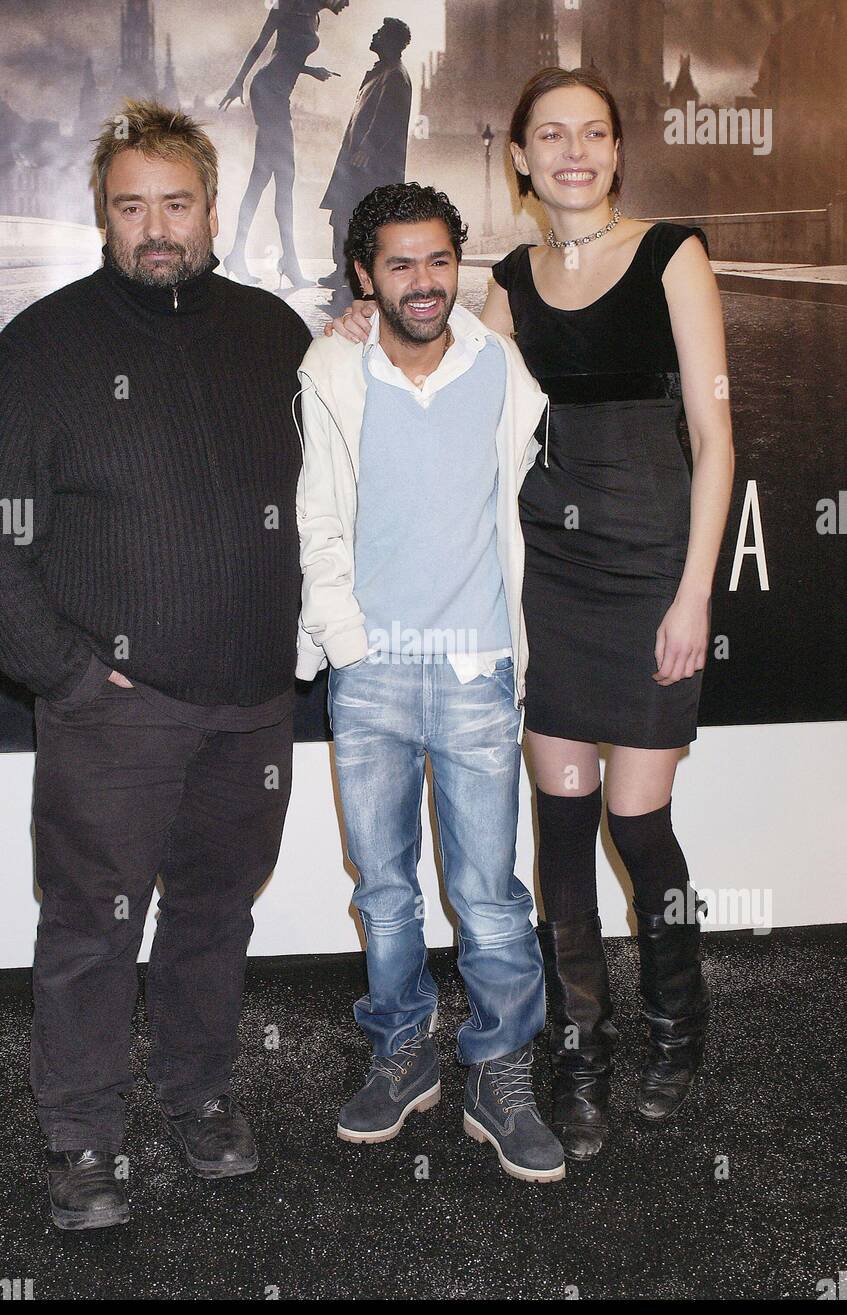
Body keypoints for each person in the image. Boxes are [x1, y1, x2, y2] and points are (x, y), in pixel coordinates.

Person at [326, 68, 735, 1163]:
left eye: (592, 133)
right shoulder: (504, 280)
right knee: (558, 825)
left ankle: (674, 1024)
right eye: (549, 134)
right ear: (518, 155)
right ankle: (578, 1050)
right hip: (549, 577)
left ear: (613, 149)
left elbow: (716, 436)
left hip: (651, 568)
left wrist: (694, 590)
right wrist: (363, 312)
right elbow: (442, 355)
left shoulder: (672, 255)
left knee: (638, 824)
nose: (572, 151)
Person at [0, 100, 312, 1229]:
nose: (155, 226)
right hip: (114, 711)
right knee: (90, 929)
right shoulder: (40, 348)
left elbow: (334, 497)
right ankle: (82, 1141)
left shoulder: (277, 333)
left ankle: (199, 1097)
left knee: (213, 915)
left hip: (254, 704)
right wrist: (70, 678)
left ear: (212, 207)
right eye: (130, 206)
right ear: (102, 214)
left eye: (175, 202)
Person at [295, 182, 565, 1183]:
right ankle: (402, 1050)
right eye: (398, 264)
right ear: (364, 274)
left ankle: (499, 1070)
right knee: (387, 893)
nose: (421, 283)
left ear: (463, 265)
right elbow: (317, 518)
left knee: (488, 896)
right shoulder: (331, 366)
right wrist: (347, 643)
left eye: (438, 261)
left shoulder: (500, 367)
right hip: (369, 673)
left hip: (475, 668)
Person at [220, 0, 350, 290]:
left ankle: (240, 256)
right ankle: (284, 262)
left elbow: (287, 55)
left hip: (278, 94)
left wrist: (310, 70)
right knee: (281, 180)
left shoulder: (315, 17)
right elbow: (261, 46)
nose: (348, 3)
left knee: (263, 180)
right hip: (267, 91)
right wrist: (237, 82)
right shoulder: (287, 7)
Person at [317, 17, 413, 295]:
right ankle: (342, 270)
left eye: (381, 32)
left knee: (356, 217)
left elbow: (387, 120)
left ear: (392, 40)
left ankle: (350, 273)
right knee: (343, 216)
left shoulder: (395, 75)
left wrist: (366, 150)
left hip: (369, 168)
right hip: (357, 163)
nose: (375, 34)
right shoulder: (382, 73)